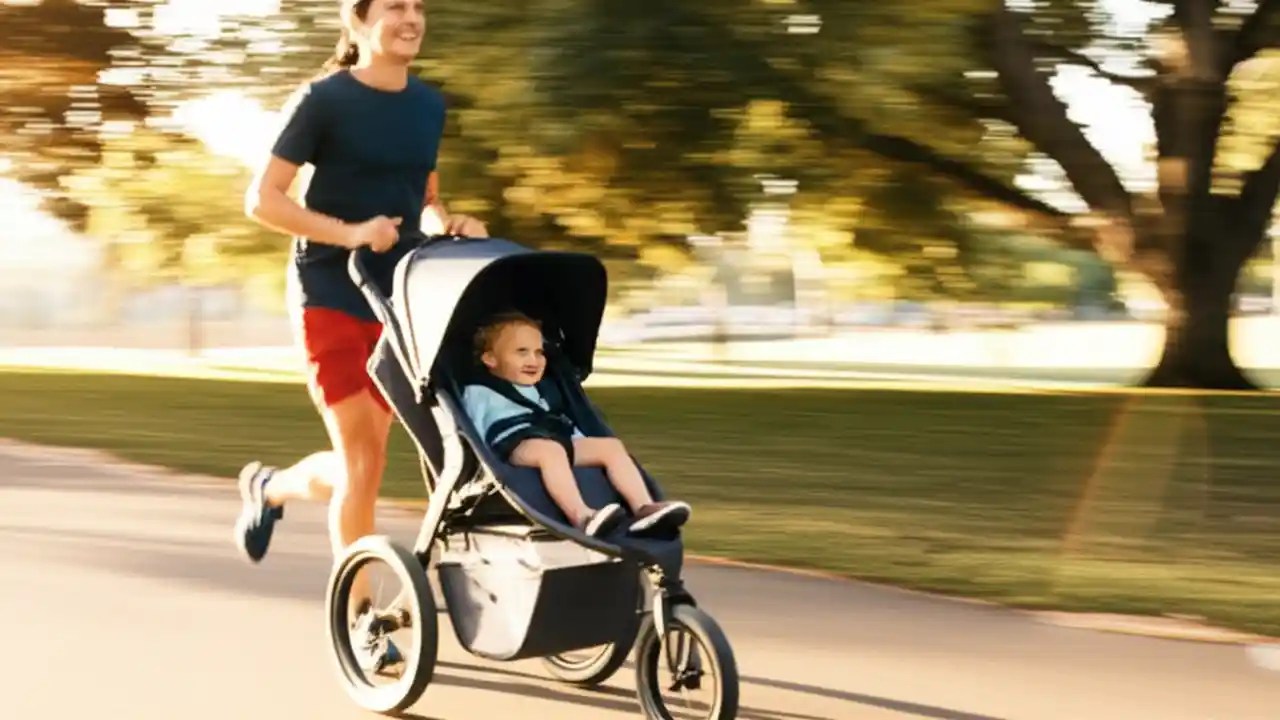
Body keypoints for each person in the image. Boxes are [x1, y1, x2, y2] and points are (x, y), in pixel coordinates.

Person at [232, 0, 485, 671]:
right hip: (329, 290)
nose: (411, 17)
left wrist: (447, 223)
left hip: (398, 293)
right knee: (364, 464)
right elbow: (263, 199)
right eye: (395, 6)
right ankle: (363, 621)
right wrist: (349, 234)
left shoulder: (429, 105)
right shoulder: (322, 101)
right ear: (358, 23)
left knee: (361, 463)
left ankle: (271, 488)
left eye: (418, 7)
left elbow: (422, 193)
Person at [462, 311, 692, 537]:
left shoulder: (539, 389)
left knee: (610, 448)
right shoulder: (477, 391)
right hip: (512, 444)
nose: (534, 360)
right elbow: (469, 426)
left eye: (539, 352)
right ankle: (581, 516)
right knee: (550, 452)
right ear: (490, 359)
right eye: (522, 352)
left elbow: (555, 419)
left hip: (553, 439)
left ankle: (643, 508)